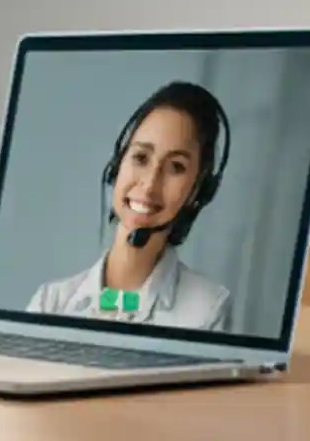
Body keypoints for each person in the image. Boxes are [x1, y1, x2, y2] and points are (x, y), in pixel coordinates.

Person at [26, 81, 232, 332]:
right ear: (117, 166)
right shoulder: (51, 304)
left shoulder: (206, 311)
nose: (150, 185)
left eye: (176, 167)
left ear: (198, 190)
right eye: (141, 158)